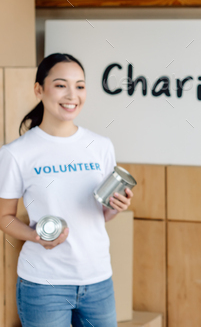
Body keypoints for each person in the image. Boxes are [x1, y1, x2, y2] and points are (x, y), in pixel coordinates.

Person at [0, 53, 134, 327]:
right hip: (43, 284)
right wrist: (35, 237)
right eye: (61, 85)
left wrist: (115, 207)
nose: (72, 94)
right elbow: (5, 217)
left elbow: (100, 215)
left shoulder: (101, 146)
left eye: (80, 86)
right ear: (39, 89)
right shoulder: (17, 153)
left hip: (97, 279)